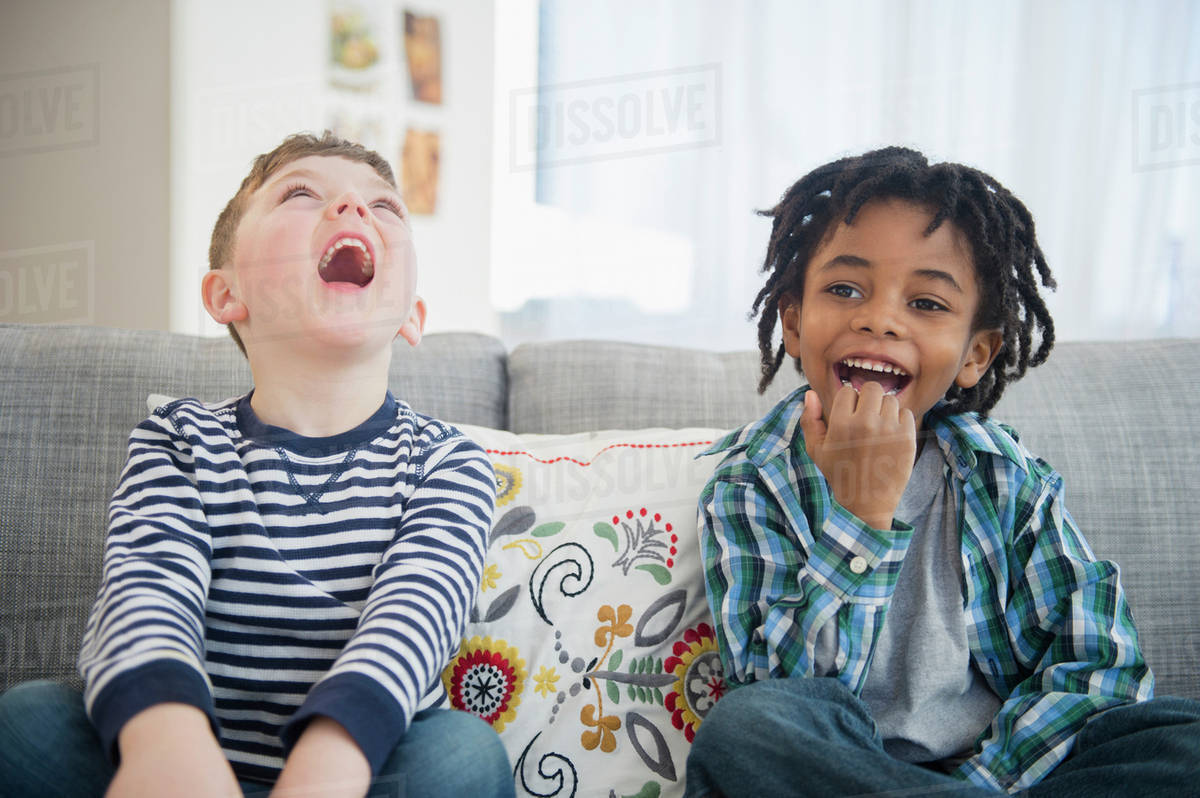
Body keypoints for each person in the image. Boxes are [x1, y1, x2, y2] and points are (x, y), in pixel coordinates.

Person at [0, 132, 512, 798]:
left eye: (384, 206)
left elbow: (413, 619)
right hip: (177, 773)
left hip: (360, 772)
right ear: (225, 294)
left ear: (411, 316)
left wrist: (326, 771)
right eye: (303, 193)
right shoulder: (177, 439)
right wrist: (165, 747)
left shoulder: (448, 462)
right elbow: (147, 594)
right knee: (27, 722)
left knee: (464, 756)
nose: (353, 209)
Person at [685, 147, 1200, 797]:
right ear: (792, 323)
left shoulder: (1004, 479)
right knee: (749, 730)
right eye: (845, 289)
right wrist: (860, 519)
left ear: (974, 355)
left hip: (1012, 769)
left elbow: (1099, 667)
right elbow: (771, 679)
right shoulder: (747, 487)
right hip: (832, 770)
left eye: (927, 303)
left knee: (1180, 737)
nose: (879, 317)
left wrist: (985, 783)